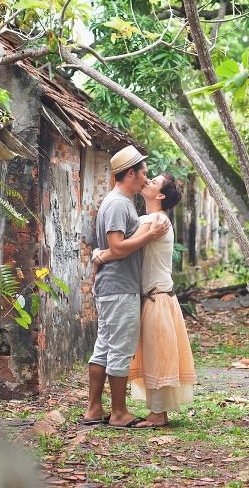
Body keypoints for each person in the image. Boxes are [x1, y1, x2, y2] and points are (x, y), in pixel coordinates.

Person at [93, 173, 196, 428]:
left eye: (153, 182)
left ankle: (158, 414)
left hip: (156, 296)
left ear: (160, 195)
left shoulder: (155, 220)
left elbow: (123, 247)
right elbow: (126, 242)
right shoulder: (147, 219)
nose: (146, 181)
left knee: (157, 353)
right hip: (155, 295)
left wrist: (99, 256)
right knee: (155, 352)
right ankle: (157, 411)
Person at [83, 146, 170, 429]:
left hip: (113, 285)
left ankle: (94, 409)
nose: (146, 178)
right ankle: (118, 412)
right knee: (119, 349)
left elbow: (110, 249)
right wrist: (150, 235)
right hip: (120, 287)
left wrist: (102, 254)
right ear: (130, 173)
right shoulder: (119, 203)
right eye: (144, 173)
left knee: (104, 347)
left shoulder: (118, 202)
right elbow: (117, 246)